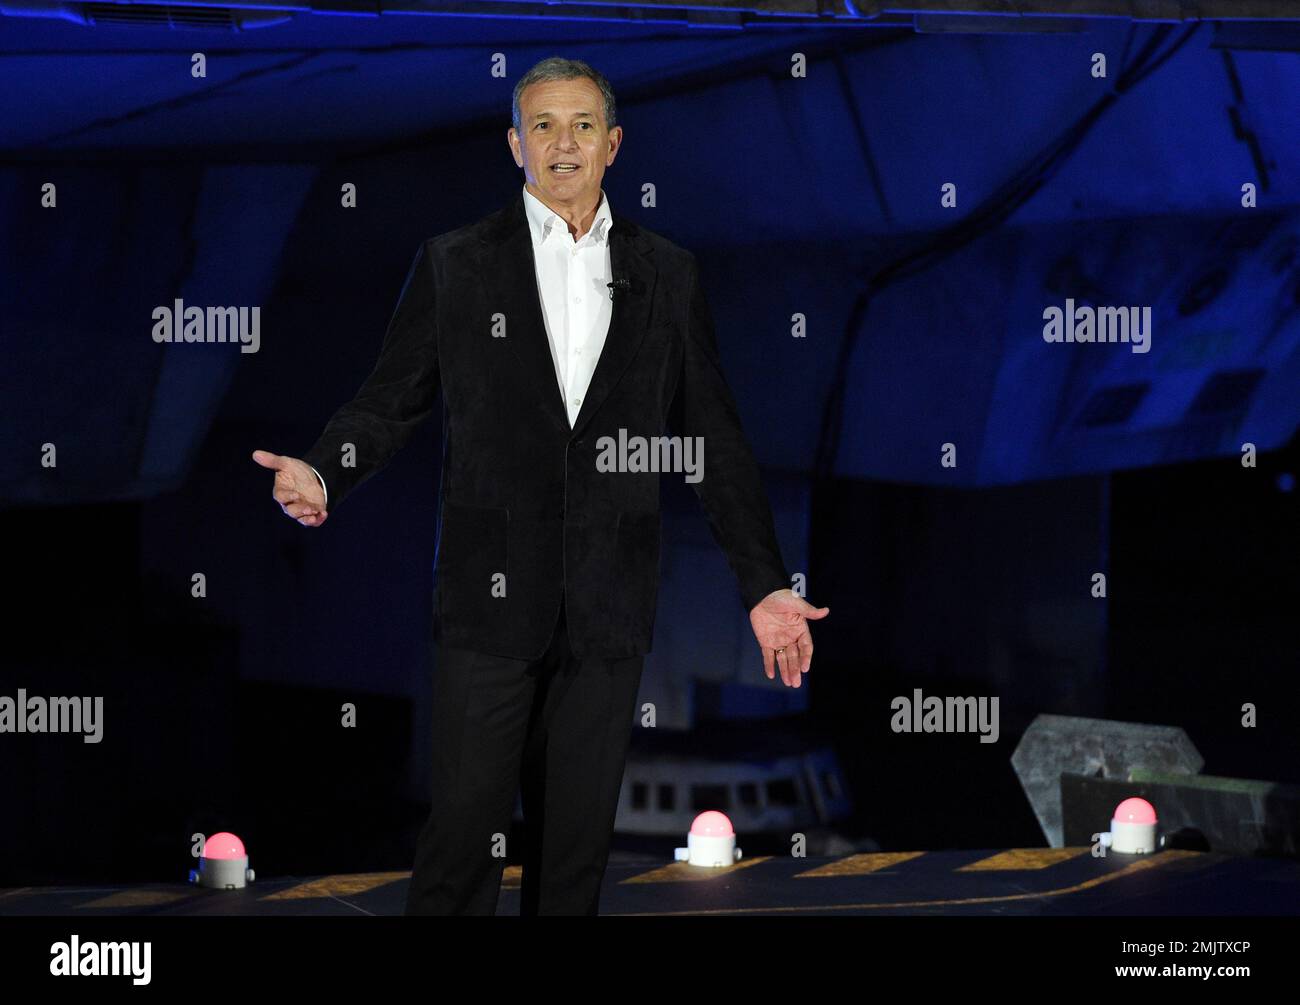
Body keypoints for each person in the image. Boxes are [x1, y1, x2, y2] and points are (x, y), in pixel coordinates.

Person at [251, 56, 828, 915]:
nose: (566, 144)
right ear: (515, 144)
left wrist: (764, 583)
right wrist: (327, 470)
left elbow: (713, 436)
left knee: (574, 863)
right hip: (488, 605)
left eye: (584, 126)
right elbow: (390, 398)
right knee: (460, 848)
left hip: (608, 606)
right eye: (546, 127)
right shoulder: (455, 264)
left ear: (614, 144)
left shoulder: (668, 272)